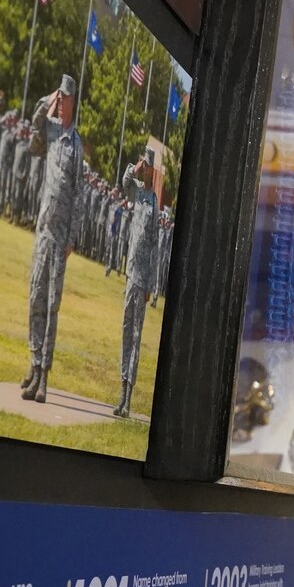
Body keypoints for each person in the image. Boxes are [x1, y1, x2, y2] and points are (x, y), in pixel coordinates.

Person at [21, 76, 84, 403]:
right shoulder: (51, 131)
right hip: (43, 230)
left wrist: (73, 236)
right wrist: (43, 104)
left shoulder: (76, 143)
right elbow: (32, 141)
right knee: (34, 296)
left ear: (74, 102)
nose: (62, 101)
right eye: (60, 96)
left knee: (51, 303)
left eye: (65, 98)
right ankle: (32, 363)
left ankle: (44, 375)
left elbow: (79, 195)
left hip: (61, 238)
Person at [114, 153, 165, 417]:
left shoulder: (154, 204)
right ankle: (121, 390)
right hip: (130, 274)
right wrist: (133, 168)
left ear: (152, 173)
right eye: (143, 166)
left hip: (142, 278)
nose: (144, 171)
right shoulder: (136, 194)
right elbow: (123, 183)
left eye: (147, 167)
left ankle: (128, 397)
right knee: (125, 330)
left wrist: (151, 286)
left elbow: (156, 249)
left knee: (135, 335)